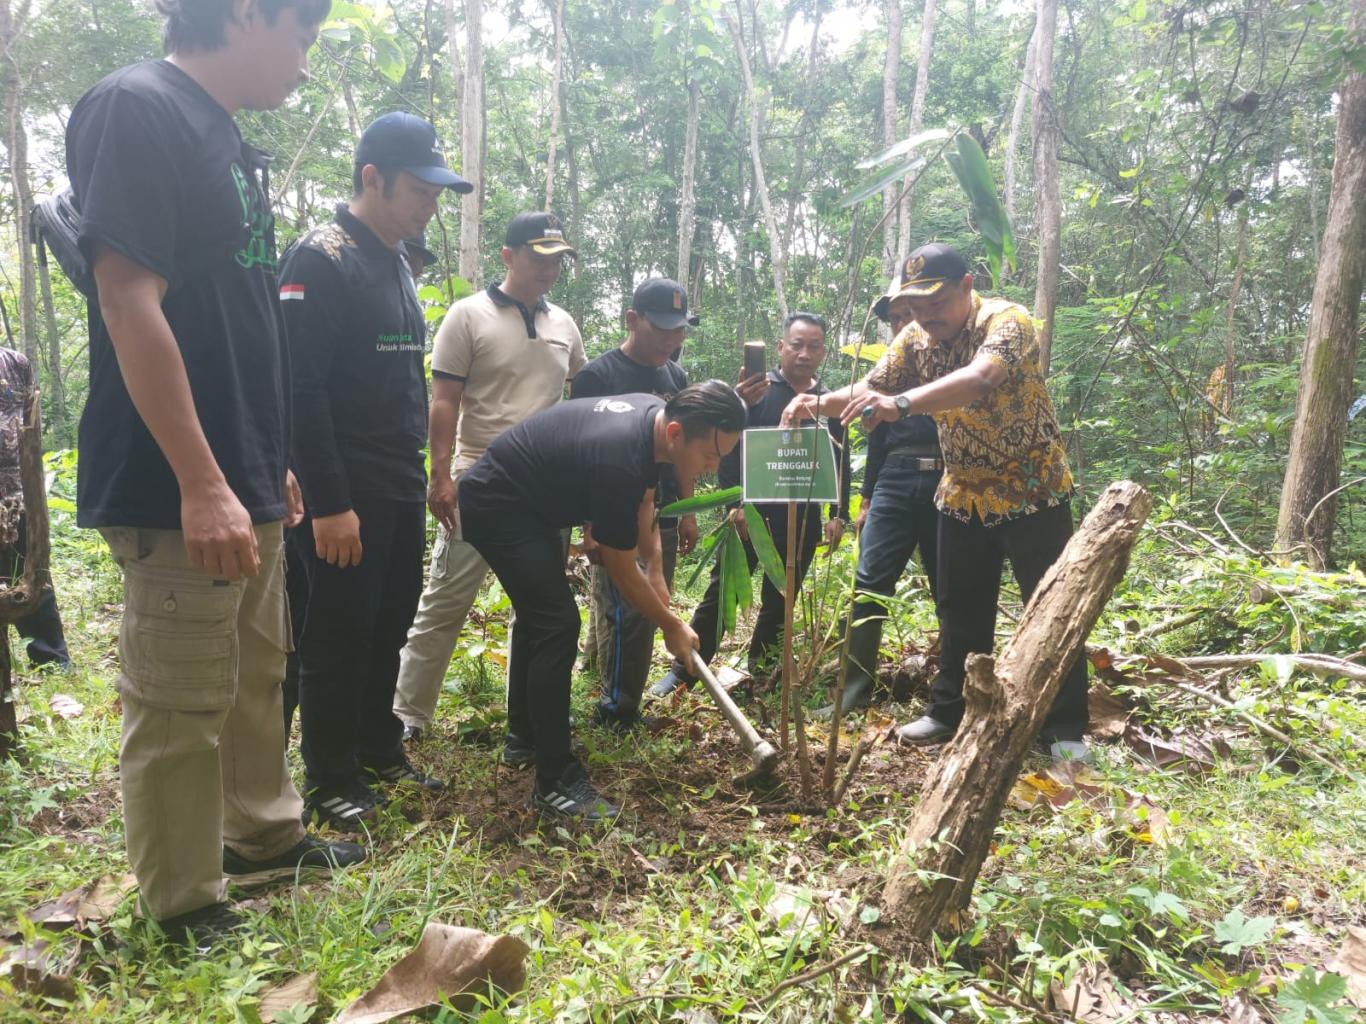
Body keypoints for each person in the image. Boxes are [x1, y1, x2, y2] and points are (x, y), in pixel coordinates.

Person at [65, 0, 362, 949]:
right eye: (304, 36)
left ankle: (263, 834)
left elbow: (232, 318)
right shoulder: (136, 107)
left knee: (254, 671)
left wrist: (264, 460)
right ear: (245, 12)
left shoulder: (225, 137)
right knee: (181, 695)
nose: (307, 64)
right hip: (174, 481)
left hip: (243, 474)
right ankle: (183, 900)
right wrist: (199, 478)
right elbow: (127, 298)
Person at [781, 243, 1089, 760]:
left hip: (1032, 490)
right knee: (960, 607)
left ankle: (1064, 729)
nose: (926, 318)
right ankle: (949, 712)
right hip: (963, 490)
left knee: (1050, 606)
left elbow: (980, 378)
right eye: (917, 308)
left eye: (937, 304)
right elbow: (869, 387)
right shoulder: (915, 338)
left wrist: (900, 404)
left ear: (968, 286)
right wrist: (820, 402)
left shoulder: (1006, 321)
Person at [281, 111, 470, 829]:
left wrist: (425, 472)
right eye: (420, 189)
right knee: (336, 629)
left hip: (394, 479)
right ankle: (330, 775)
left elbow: (403, 383)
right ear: (373, 177)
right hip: (344, 485)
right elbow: (300, 389)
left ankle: (377, 748)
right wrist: (329, 502)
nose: (431, 203)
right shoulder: (319, 259)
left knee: (388, 620)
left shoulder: (393, 257)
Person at [457, 381, 747, 818]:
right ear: (675, 434)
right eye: (711, 454)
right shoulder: (619, 460)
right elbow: (616, 563)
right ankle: (554, 782)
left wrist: (656, 569)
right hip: (499, 504)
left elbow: (646, 501)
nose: (712, 466)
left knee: (543, 620)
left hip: (531, 504)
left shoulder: (654, 414)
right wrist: (669, 624)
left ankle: (525, 738)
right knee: (557, 623)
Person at [392, 212, 584, 745]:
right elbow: (445, 400)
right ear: (508, 255)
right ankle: (407, 713)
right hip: (478, 478)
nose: (549, 268)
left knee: (540, 606)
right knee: (446, 599)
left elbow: (580, 395)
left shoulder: (563, 323)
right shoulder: (467, 315)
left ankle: (528, 718)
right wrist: (440, 474)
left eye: (557, 258)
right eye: (538, 255)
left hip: (545, 490)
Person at [651, 313, 850, 696]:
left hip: (803, 517)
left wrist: (837, 514)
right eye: (796, 344)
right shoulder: (756, 392)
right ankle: (686, 670)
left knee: (782, 596)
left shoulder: (829, 402)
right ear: (780, 347)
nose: (804, 353)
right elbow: (727, 450)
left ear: (823, 350)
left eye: (813, 346)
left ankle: (762, 673)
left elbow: (838, 460)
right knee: (722, 590)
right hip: (751, 513)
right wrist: (735, 504)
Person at [568, 278, 697, 731]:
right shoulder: (597, 377)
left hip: (658, 508)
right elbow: (580, 456)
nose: (671, 340)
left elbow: (683, 451)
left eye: (679, 330)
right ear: (632, 320)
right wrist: (589, 525)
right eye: (662, 329)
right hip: (611, 507)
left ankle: (608, 681)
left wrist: (687, 510)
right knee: (629, 608)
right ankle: (619, 710)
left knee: (645, 600)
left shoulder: (675, 378)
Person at [815, 275, 943, 718]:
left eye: (909, 315)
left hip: (949, 475)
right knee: (868, 585)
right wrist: (866, 497)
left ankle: (952, 699)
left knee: (951, 587)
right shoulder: (886, 371)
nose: (903, 325)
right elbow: (877, 438)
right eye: (894, 319)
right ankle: (850, 699)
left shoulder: (950, 352)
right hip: (895, 475)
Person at [0, 348, 70, 669]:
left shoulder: (16, 364)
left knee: (33, 579)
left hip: (16, 496)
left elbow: (32, 425)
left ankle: (51, 661)